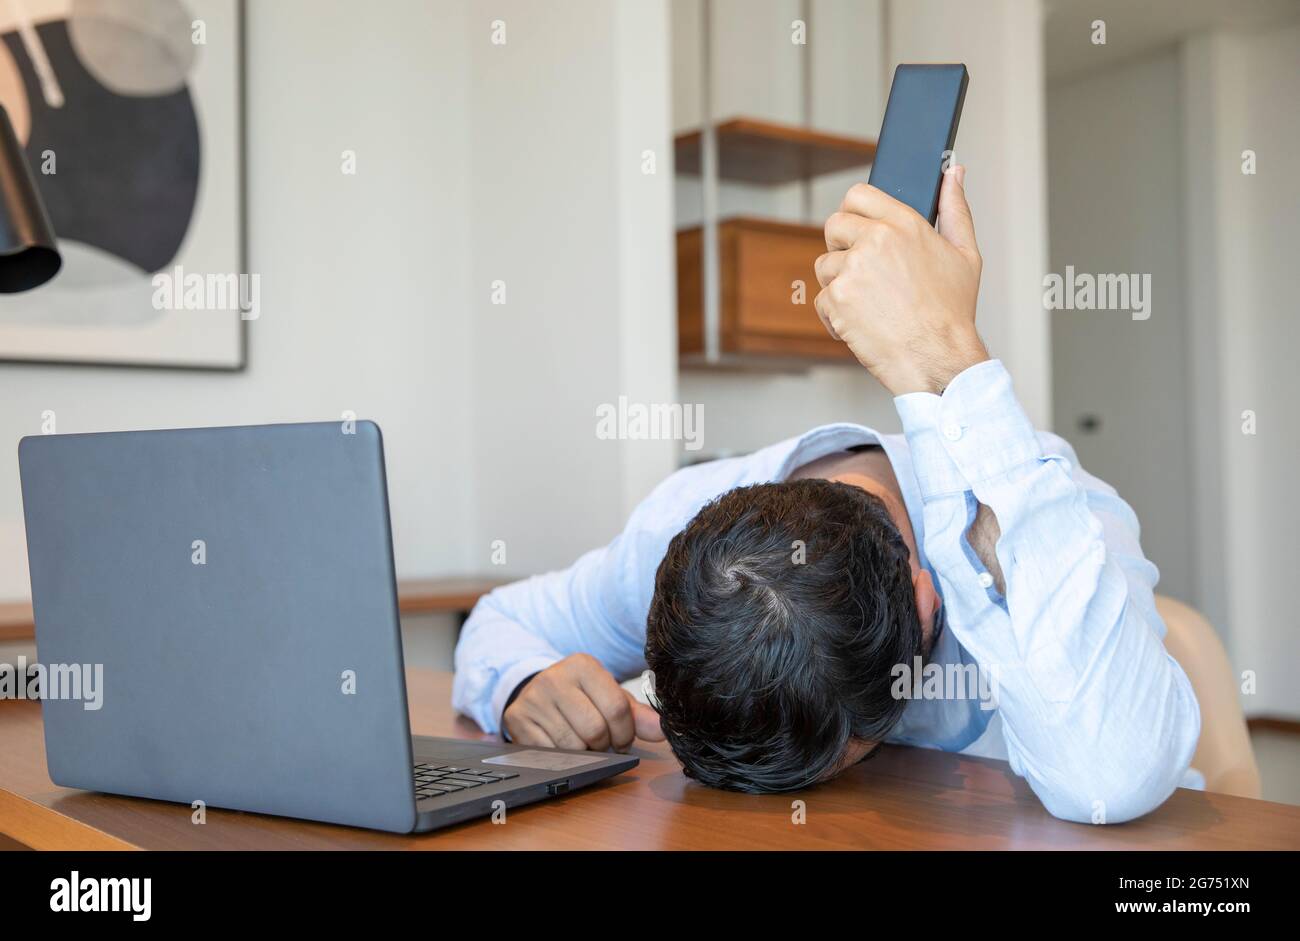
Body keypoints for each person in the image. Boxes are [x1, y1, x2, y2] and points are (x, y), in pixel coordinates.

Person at [452, 166, 1204, 823]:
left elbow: (1112, 774)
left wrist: (945, 355)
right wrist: (522, 682)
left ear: (926, 604)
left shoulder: (1045, 503)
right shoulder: (683, 532)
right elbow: (500, 621)